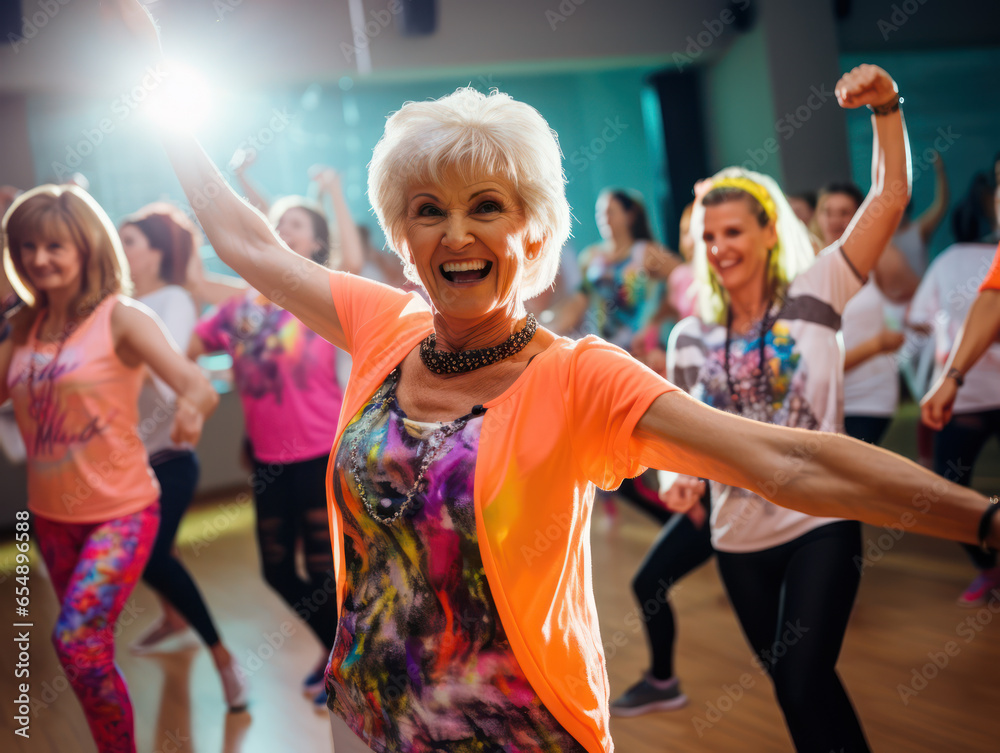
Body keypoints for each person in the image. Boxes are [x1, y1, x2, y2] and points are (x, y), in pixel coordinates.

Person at [110, 9, 1000, 746]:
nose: (456, 233)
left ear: (532, 233)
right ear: (402, 236)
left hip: (518, 725)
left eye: (485, 207)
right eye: (429, 210)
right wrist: (157, 80)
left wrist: (985, 518)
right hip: (370, 710)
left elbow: (791, 462)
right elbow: (246, 240)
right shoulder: (385, 324)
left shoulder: (578, 377)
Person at [0, 184, 217, 753]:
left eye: (53, 245)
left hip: (120, 513)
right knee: (88, 653)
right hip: (50, 517)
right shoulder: (23, 327)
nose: (37, 259)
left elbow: (194, 382)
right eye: (25, 247)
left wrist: (192, 409)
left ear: (85, 245)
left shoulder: (121, 316)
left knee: (75, 643)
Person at [118, 202, 247, 708]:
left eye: (130, 241)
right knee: (158, 552)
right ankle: (173, 617)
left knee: (148, 553)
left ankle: (223, 659)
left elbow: (174, 388)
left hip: (170, 457)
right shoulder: (117, 307)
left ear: (154, 253)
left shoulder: (168, 300)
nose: (122, 250)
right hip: (128, 461)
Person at [913, 200, 1000, 606]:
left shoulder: (946, 261)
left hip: (963, 398)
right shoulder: (992, 259)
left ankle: (988, 567)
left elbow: (919, 318)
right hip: (969, 390)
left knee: (948, 494)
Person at [814, 181, 916, 445]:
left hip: (870, 397)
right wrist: (876, 344)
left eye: (844, 212)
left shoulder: (879, 259)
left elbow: (918, 302)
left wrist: (898, 329)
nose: (835, 220)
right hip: (821, 400)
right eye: (828, 211)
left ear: (860, 216)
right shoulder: (808, 266)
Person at [550, 188, 681, 347]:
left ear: (629, 216)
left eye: (610, 212)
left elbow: (684, 276)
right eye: (600, 213)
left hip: (643, 348)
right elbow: (579, 302)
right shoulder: (590, 258)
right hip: (607, 349)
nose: (604, 219)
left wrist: (658, 317)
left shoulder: (646, 252)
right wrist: (548, 325)